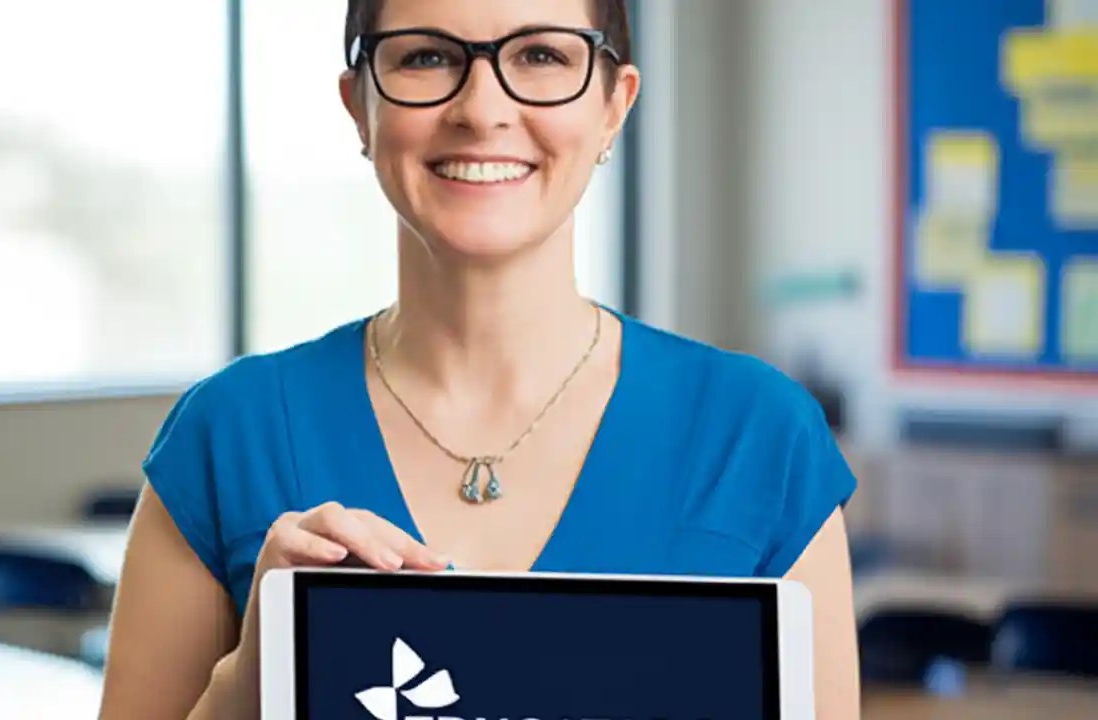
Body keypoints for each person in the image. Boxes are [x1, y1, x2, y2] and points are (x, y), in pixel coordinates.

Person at [100, 0, 861, 717]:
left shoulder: (760, 435)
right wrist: (255, 676)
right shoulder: (230, 432)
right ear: (358, 106)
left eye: (539, 54)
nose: (482, 109)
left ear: (615, 106)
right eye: (427, 56)